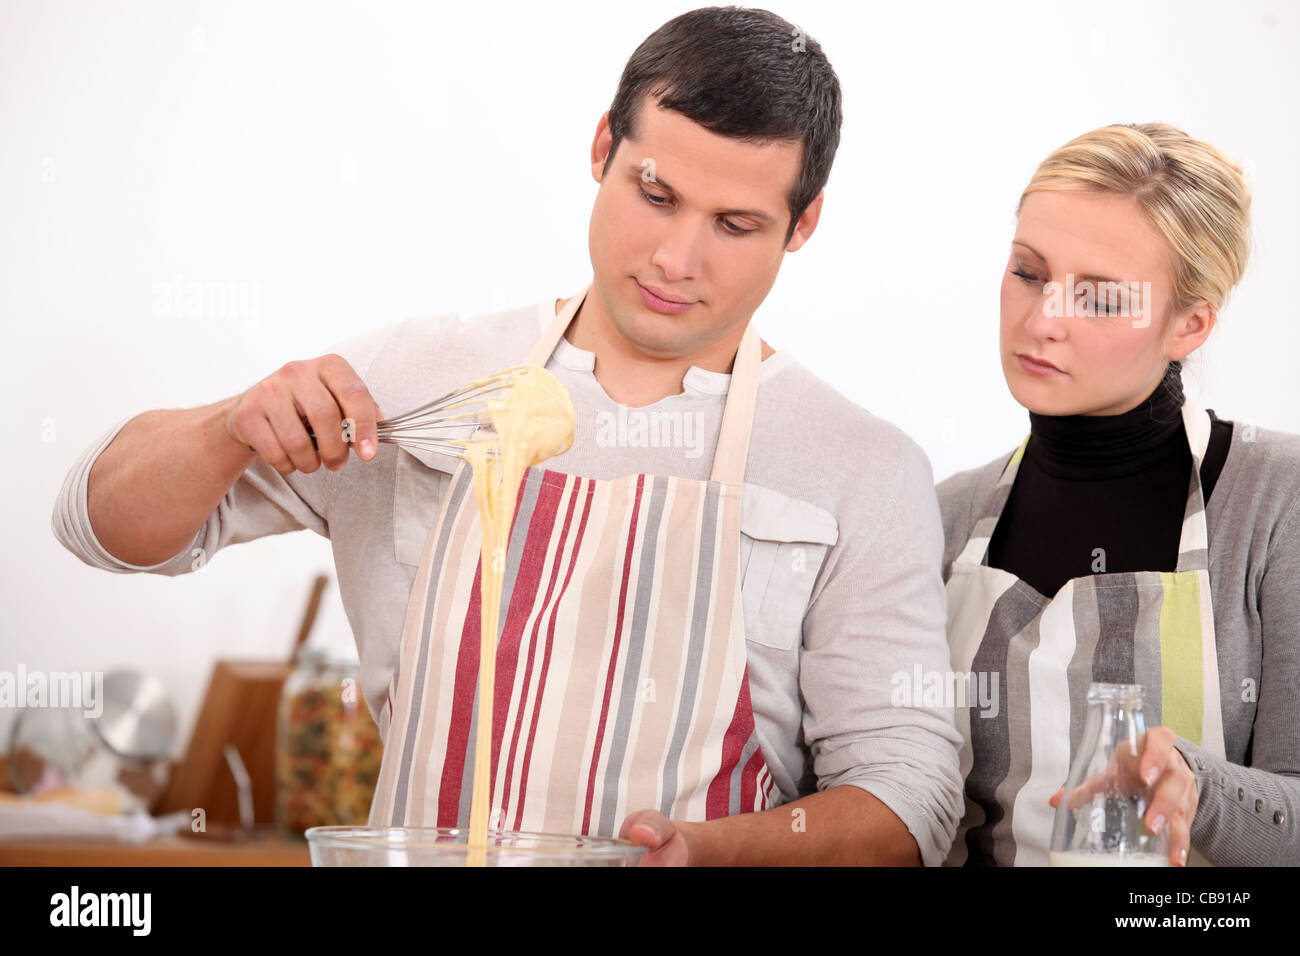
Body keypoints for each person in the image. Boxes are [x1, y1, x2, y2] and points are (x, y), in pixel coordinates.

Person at [53, 7, 963, 865]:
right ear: (604, 147)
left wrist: (715, 852)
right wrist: (228, 425)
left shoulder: (861, 469)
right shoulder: (419, 378)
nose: (676, 260)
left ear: (801, 226)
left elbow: (909, 797)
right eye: (655, 193)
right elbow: (98, 527)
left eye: (735, 225)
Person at [937, 122, 1300, 866]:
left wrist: (1197, 785)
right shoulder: (941, 517)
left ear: (1189, 325)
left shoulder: (1277, 503)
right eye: (1029, 273)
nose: (1040, 323)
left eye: (1100, 299)